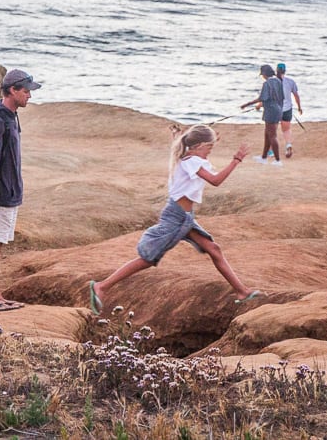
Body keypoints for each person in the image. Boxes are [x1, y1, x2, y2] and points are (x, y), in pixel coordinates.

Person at [89, 124, 261, 315]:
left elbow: (187, 147)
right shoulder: (192, 162)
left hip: (185, 217)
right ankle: (102, 286)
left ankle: (242, 291)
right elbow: (215, 180)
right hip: (176, 217)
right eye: (209, 148)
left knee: (214, 249)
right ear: (199, 146)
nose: (210, 152)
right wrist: (236, 160)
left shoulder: (188, 157)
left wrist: (183, 135)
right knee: (147, 259)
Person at [0, 69, 42, 313]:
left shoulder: (10, 116)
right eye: (26, 91)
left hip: (7, 192)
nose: (29, 96)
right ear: (13, 90)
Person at [240, 64, 284, 166]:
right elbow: (280, 97)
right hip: (276, 109)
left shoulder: (267, 83)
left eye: (262, 74)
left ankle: (278, 160)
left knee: (272, 136)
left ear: (264, 74)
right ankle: (263, 157)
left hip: (271, 111)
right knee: (267, 134)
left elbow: (261, 98)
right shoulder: (278, 81)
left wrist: (246, 104)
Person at [276, 63, 302, 158]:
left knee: (272, 130)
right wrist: (299, 107)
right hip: (287, 109)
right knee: (286, 130)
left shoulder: (272, 82)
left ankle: (270, 151)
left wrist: (261, 105)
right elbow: (296, 96)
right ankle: (288, 145)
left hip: (275, 109)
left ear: (276, 71)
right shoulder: (290, 82)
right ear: (285, 71)